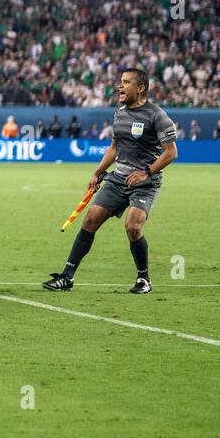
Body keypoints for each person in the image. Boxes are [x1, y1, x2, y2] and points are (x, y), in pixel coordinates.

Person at [43, 69, 177, 295]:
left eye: (126, 82)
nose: (120, 86)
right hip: (117, 179)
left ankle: (144, 279)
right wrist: (98, 171)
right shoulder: (119, 113)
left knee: (133, 227)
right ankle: (67, 276)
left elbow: (171, 152)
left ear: (141, 88)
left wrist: (147, 172)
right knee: (90, 220)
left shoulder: (157, 115)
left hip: (145, 181)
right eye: (120, 82)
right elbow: (114, 149)